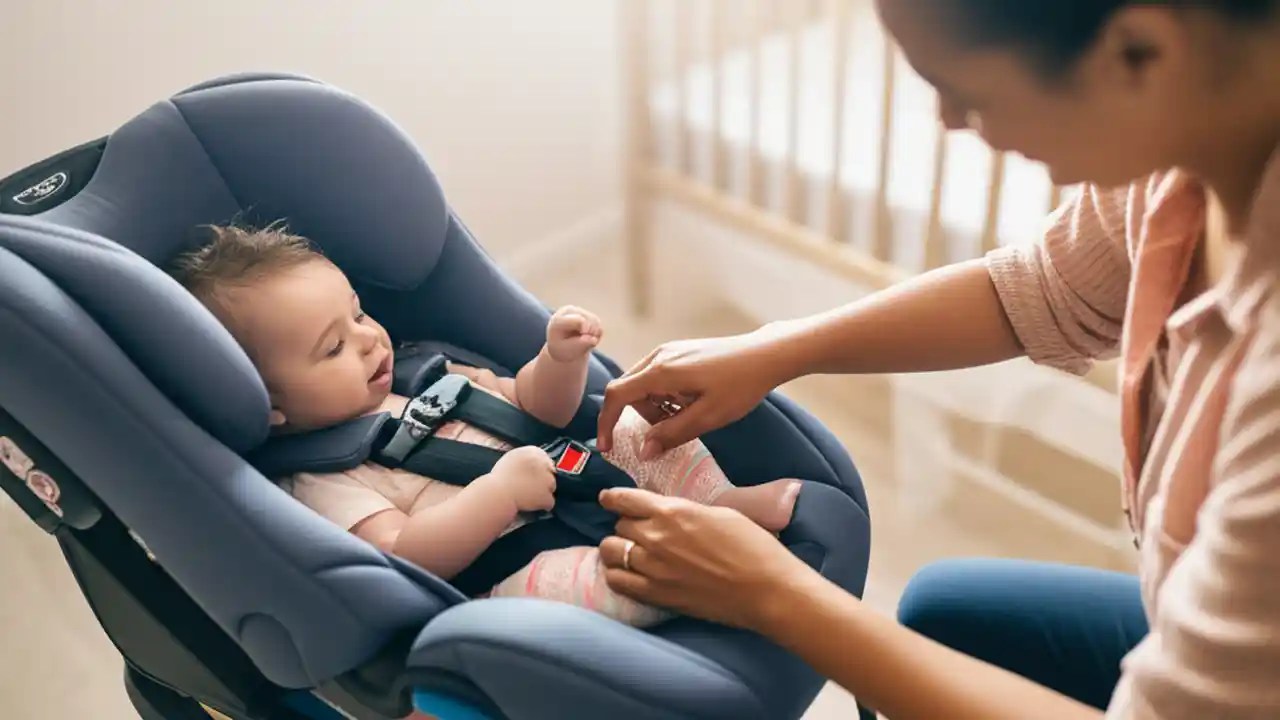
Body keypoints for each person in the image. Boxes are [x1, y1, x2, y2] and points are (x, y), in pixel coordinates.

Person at [592, 1, 1280, 717]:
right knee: (936, 610)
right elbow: (1047, 286)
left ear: (1140, 52)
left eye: (971, 96)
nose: (949, 122)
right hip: (1181, 604)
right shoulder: (1177, 172)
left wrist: (772, 593)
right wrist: (776, 348)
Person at [169, 224, 801, 628]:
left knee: (635, 426)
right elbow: (403, 556)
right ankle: (688, 568)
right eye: (333, 348)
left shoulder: (423, 370)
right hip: (518, 568)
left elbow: (534, 405)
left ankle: (718, 505)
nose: (368, 342)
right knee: (584, 588)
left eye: (359, 315)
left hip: (580, 471)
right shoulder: (322, 477)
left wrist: (559, 359)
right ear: (267, 403)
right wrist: (496, 495)